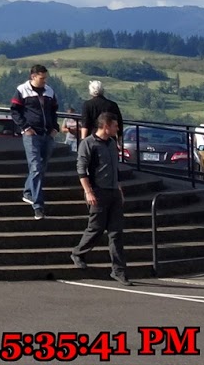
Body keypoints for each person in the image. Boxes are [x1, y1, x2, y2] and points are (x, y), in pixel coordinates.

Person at [70, 112, 132, 285]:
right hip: (97, 191)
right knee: (96, 228)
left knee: (116, 232)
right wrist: (88, 192)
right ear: (106, 126)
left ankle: (118, 270)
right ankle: (78, 253)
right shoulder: (88, 144)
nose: (117, 128)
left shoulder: (111, 143)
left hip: (113, 191)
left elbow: (114, 168)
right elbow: (81, 169)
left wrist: (118, 187)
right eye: (114, 125)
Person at [9, 64, 59, 219]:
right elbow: (14, 110)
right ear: (33, 76)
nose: (44, 81)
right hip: (31, 134)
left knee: (41, 167)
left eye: (45, 78)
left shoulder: (49, 91)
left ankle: (28, 191)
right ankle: (38, 206)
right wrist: (25, 127)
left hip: (47, 133)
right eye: (42, 78)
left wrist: (55, 127)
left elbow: (54, 111)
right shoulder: (22, 90)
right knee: (36, 166)